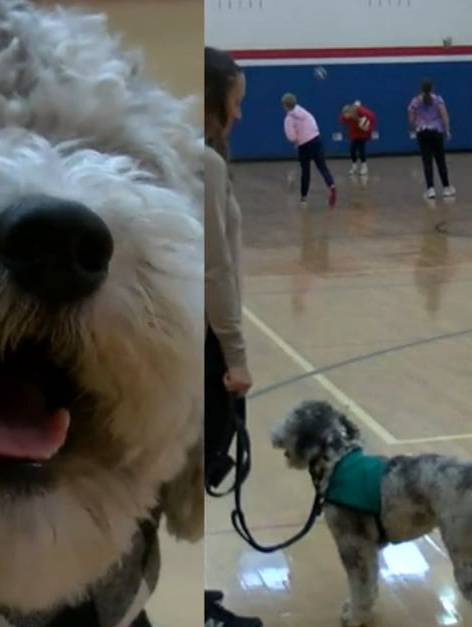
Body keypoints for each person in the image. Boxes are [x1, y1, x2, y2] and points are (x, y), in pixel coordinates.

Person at [203, 45, 263, 627]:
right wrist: (236, 357)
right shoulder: (206, 163)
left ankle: (186, 597)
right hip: (204, 347)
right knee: (196, 470)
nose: (239, 115)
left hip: (190, 339)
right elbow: (213, 269)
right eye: (235, 102)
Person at [282, 93, 337, 208]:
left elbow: (291, 136)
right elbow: (313, 123)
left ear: (285, 106)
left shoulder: (289, 119)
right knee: (322, 166)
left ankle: (304, 198)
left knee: (306, 171)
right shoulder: (304, 112)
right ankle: (331, 185)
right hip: (316, 140)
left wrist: (296, 140)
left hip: (303, 145)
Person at [408, 78, 455, 199]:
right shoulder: (438, 100)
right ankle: (446, 187)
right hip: (436, 131)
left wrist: (417, 124)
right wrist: (447, 130)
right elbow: (444, 114)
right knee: (440, 160)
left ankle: (430, 189)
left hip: (422, 132)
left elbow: (411, 119)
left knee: (427, 161)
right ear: (432, 88)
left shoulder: (415, 101)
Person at [340, 100, 376, 175]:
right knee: (352, 150)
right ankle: (354, 166)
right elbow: (342, 120)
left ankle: (364, 167)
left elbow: (372, 118)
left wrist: (369, 130)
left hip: (363, 134)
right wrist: (345, 116)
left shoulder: (364, 113)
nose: (346, 116)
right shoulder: (348, 116)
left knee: (361, 150)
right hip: (354, 135)